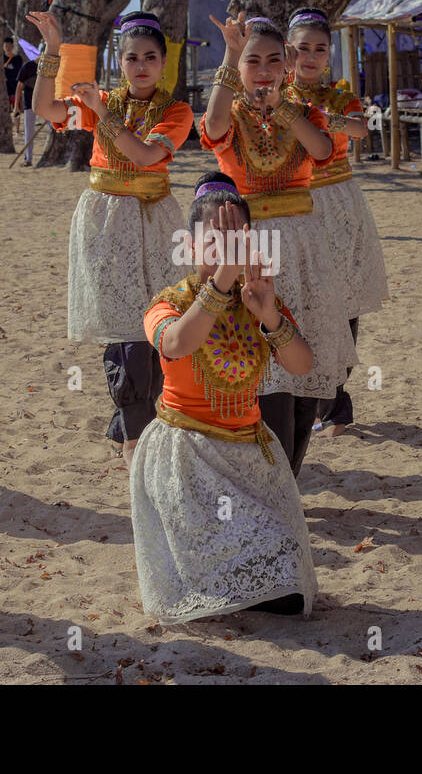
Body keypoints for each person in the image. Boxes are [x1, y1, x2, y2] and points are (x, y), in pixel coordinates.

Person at [130, 174, 319, 622]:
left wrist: (269, 314)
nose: (226, 248)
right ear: (190, 245)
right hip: (185, 458)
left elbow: (302, 366)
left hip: (250, 455)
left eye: (237, 239)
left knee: (290, 594)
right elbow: (176, 344)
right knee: (224, 586)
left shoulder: (257, 299)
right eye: (215, 239)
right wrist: (222, 282)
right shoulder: (170, 303)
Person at [27, 9, 193, 466]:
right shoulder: (100, 98)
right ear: (119, 62)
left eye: (150, 58)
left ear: (163, 64)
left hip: (156, 218)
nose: (141, 66)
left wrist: (103, 113)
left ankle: (138, 422)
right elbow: (45, 108)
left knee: (159, 315)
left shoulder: (176, 111)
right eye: (131, 58)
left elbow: (143, 157)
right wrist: (53, 51)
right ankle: (134, 426)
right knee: (121, 324)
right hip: (105, 219)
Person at [200, 13, 357, 475]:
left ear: (287, 64)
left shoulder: (304, 111)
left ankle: (290, 472)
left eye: (273, 59)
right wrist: (230, 54)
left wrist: (286, 106)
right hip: (252, 243)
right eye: (253, 61)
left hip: (304, 245)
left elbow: (324, 150)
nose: (263, 69)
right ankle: (269, 473)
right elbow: (210, 125)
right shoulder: (233, 115)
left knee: (305, 365)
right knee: (264, 367)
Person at [284, 6, 388, 436]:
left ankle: (337, 405)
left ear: (329, 55)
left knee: (341, 303)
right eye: (302, 48)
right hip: (292, 203)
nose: (310, 56)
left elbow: (363, 130)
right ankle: (301, 398)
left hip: (339, 206)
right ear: (288, 51)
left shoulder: (340, 97)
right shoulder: (276, 96)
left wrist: (325, 117)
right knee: (299, 301)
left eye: (319, 49)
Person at [14, 56, 39, 166]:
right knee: (29, 132)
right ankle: (28, 159)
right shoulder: (27, 67)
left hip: (46, 103)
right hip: (29, 103)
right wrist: (16, 106)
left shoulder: (49, 67)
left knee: (54, 127)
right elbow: (19, 87)